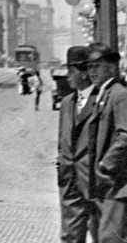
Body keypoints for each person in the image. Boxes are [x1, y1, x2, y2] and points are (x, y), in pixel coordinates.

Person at [86, 42, 127, 243]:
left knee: (110, 238)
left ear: (111, 67)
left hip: (117, 183)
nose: (91, 71)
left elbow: (126, 135)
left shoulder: (120, 94)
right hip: (106, 184)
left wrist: (105, 165)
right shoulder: (104, 94)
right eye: (89, 67)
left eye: (96, 66)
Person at [57, 45, 97, 243]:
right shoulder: (67, 102)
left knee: (103, 236)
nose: (67, 76)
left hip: (98, 183)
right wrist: (61, 163)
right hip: (70, 182)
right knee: (70, 237)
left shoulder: (103, 99)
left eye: (71, 71)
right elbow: (62, 140)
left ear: (84, 73)